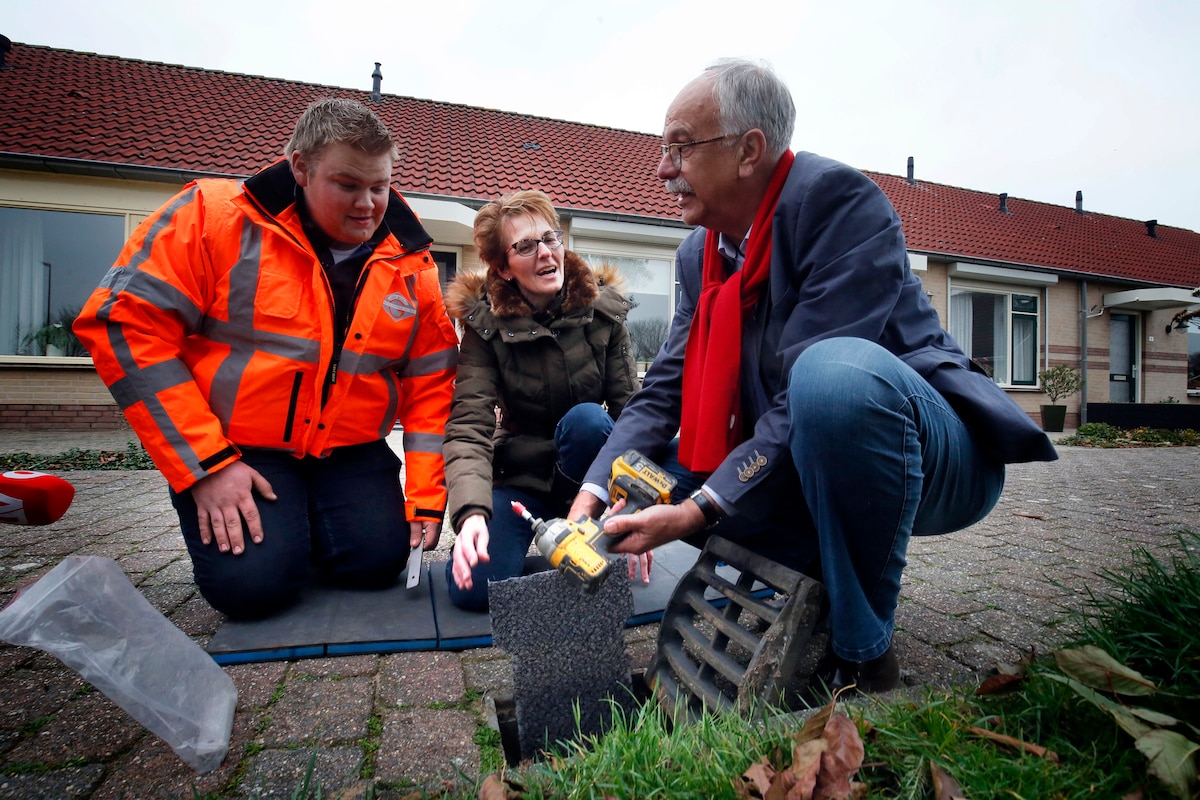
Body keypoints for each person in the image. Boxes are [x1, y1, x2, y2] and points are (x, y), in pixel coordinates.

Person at [569, 59, 1059, 693]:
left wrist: (697, 510)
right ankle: (813, 565)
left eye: (681, 147)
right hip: (797, 457)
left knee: (830, 377)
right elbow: (666, 387)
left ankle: (863, 654)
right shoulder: (700, 255)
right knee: (605, 452)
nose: (664, 169)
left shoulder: (839, 204)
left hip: (928, 454)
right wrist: (594, 489)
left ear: (749, 151)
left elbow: (804, 395)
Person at [73, 98, 460, 620]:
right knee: (252, 590)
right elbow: (122, 324)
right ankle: (278, 538)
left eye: (380, 186)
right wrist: (205, 466)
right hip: (238, 448)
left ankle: (303, 529)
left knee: (378, 563)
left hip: (349, 450)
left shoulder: (413, 261)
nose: (368, 205)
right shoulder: (211, 215)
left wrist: (425, 494)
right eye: (347, 185)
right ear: (300, 168)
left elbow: (432, 385)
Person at [443, 190, 640, 611]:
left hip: (586, 475)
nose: (546, 252)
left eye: (551, 238)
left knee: (589, 421)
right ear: (503, 267)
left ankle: (581, 528)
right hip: (522, 478)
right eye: (526, 246)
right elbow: (469, 424)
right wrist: (471, 513)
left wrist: (637, 507)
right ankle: (548, 543)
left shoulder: (604, 314)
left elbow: (632, 415)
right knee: (475, 591)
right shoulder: (485, 327)